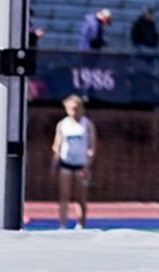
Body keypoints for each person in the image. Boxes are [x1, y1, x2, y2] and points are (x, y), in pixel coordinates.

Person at [52, 94, 95, 228]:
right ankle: (62, 224)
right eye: (71, 108)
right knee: (64, 195)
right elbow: (57, 144)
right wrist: (55, 161)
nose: (74, 111)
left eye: (76, 108)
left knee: (80, 196)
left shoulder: (86, 124)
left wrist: (88, 164)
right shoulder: (63, 124)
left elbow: (92, 146)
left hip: (81, 165)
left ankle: (81, 223)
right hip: (66, 163)